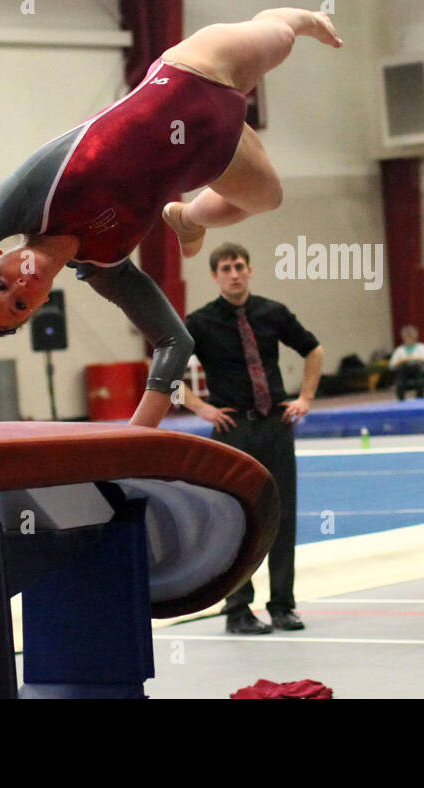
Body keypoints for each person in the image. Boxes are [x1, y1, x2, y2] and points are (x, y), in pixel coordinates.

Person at [0, 8, 341, 429]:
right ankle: (190, 216)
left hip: (194, 73)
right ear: (38, 308)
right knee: (268, 197)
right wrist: (137, 438)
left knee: (282, 33)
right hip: (215, 152)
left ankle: (188, 212)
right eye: (18, 305)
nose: (18, 287)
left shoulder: (35, 193)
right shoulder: (106, 267)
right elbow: (174, 341)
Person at [179, 243, 324, 635]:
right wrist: (201, 408)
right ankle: (238, 610)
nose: (234, 273)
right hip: (232, 428)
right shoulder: (199, 323)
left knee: (283, 515)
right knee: (236, 518)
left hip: (275, 424)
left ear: (250, 269)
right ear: (214, 276)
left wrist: (306, 397)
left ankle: (282, 605)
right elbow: (164, 369)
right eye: (225, 268)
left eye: (239, 266)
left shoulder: (272, 313)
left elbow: (314, 350)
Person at [389, 325, 424, 399]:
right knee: (399, 381)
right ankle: (401, 401)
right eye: (407, 337)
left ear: (415, 337)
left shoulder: (422, 348)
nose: (409, 339)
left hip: (418, 373)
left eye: (411, 336)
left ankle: (420, 399)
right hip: (404, 374)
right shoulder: (399, 350)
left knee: (421, 379)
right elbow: (392, 365)